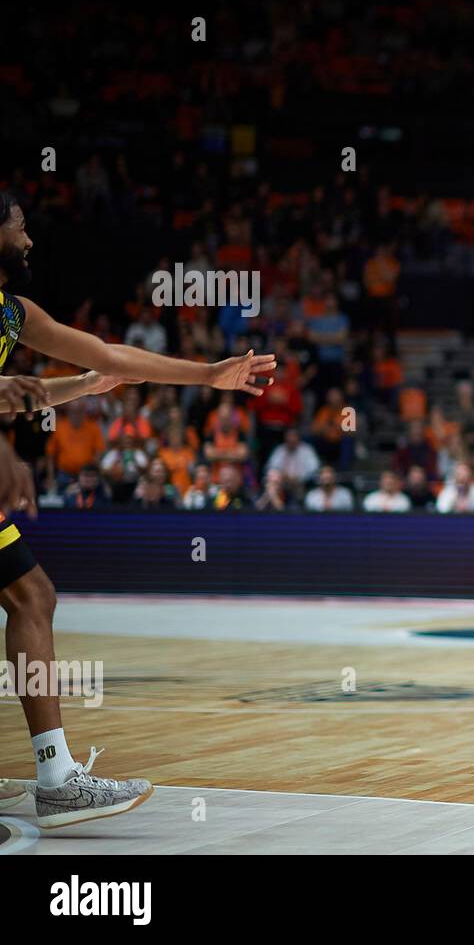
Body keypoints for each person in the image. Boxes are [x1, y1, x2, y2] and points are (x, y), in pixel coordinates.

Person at [0, 193, 275, 828]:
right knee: (30, 597)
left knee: (30, 596)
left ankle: (55, 774)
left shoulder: (13, 315)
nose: (31, 239)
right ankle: (57, 779)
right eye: (19, 228)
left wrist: (208, 375)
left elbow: (108, 355)